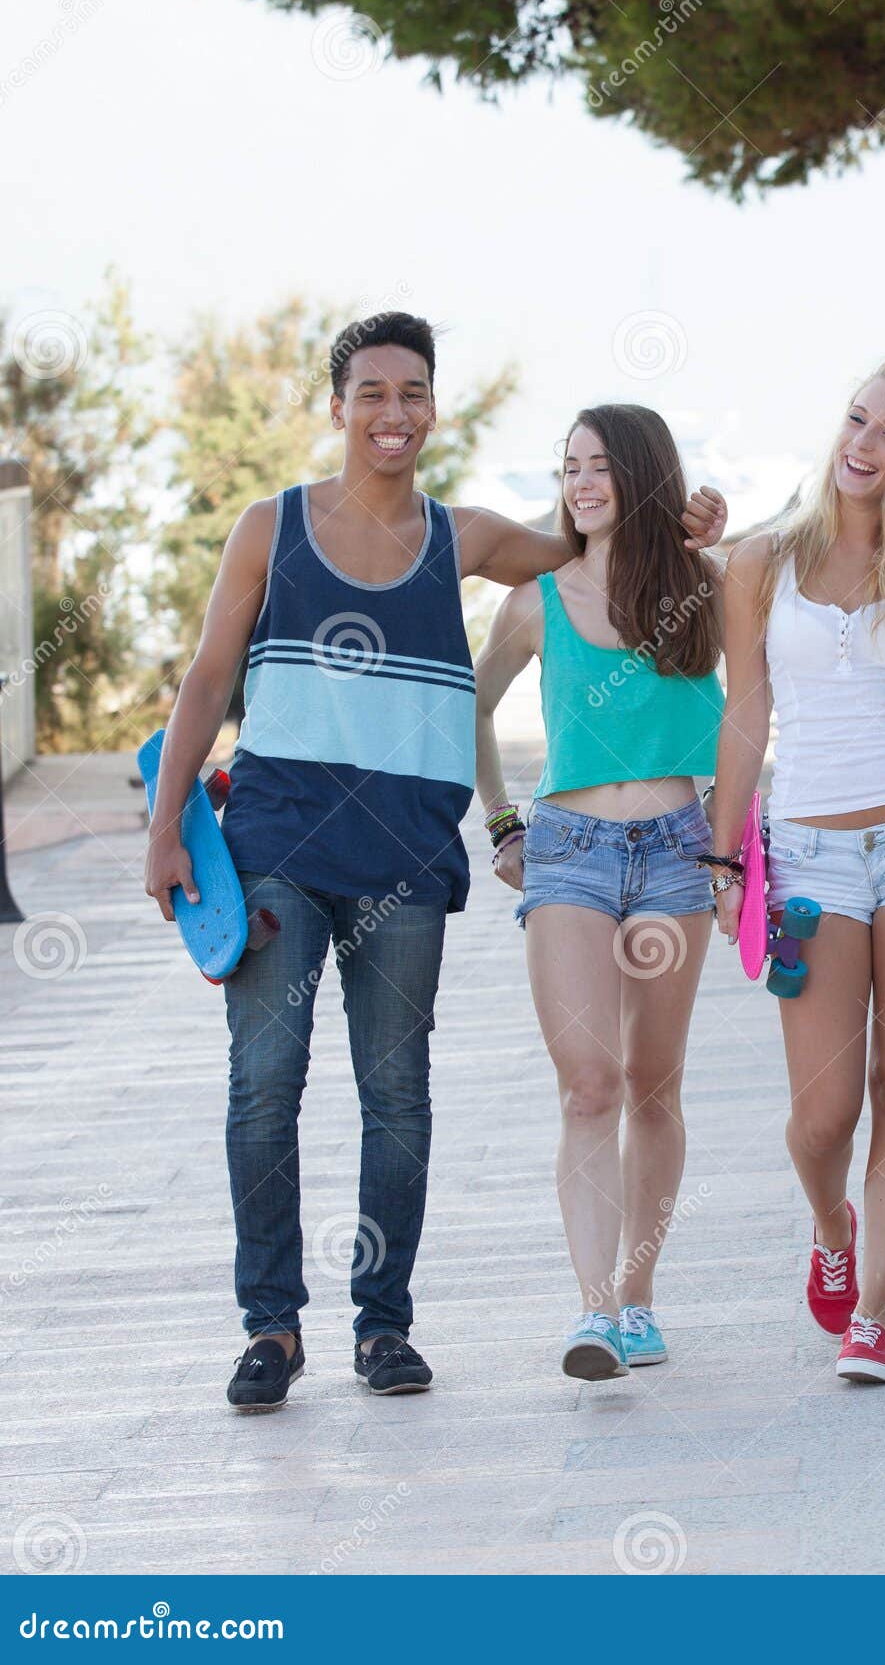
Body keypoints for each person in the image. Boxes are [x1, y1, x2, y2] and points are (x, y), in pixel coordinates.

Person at [143, 314, 725, 1410]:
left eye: (413, 392)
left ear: (434, 408)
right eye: (371, 392)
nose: (393, 412)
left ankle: (383, 1327)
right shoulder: (271, 528)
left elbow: (597, 550)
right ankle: (270, 1325)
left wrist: (687, 518)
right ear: (337, 407)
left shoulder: (470, 541)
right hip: (273, 846)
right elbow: (207, 678)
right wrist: (166, 822)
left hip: (403, 863)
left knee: (396, 1096)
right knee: (264, 1087)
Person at [709, 359, 885, 1385]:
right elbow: (746, 717)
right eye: (856, 420)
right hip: (809, 850)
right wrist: (726, 854)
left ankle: (874, 1315)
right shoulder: (763, 560)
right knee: (823, 1113)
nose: (862, 444)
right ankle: (832, 1227)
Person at [473, 405, 723, 1380]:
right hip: (568, 850)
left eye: (599, 466)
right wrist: (501, 821)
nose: (579, 483)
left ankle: (639, 1295)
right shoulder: (535, 600)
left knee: (652, 1083)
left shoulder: (707, 585)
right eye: (568, 466)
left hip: (676, 853)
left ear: (642, 474)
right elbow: (472, 701)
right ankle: (593, 1311)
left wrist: (738, 843)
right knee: (589, 1083)